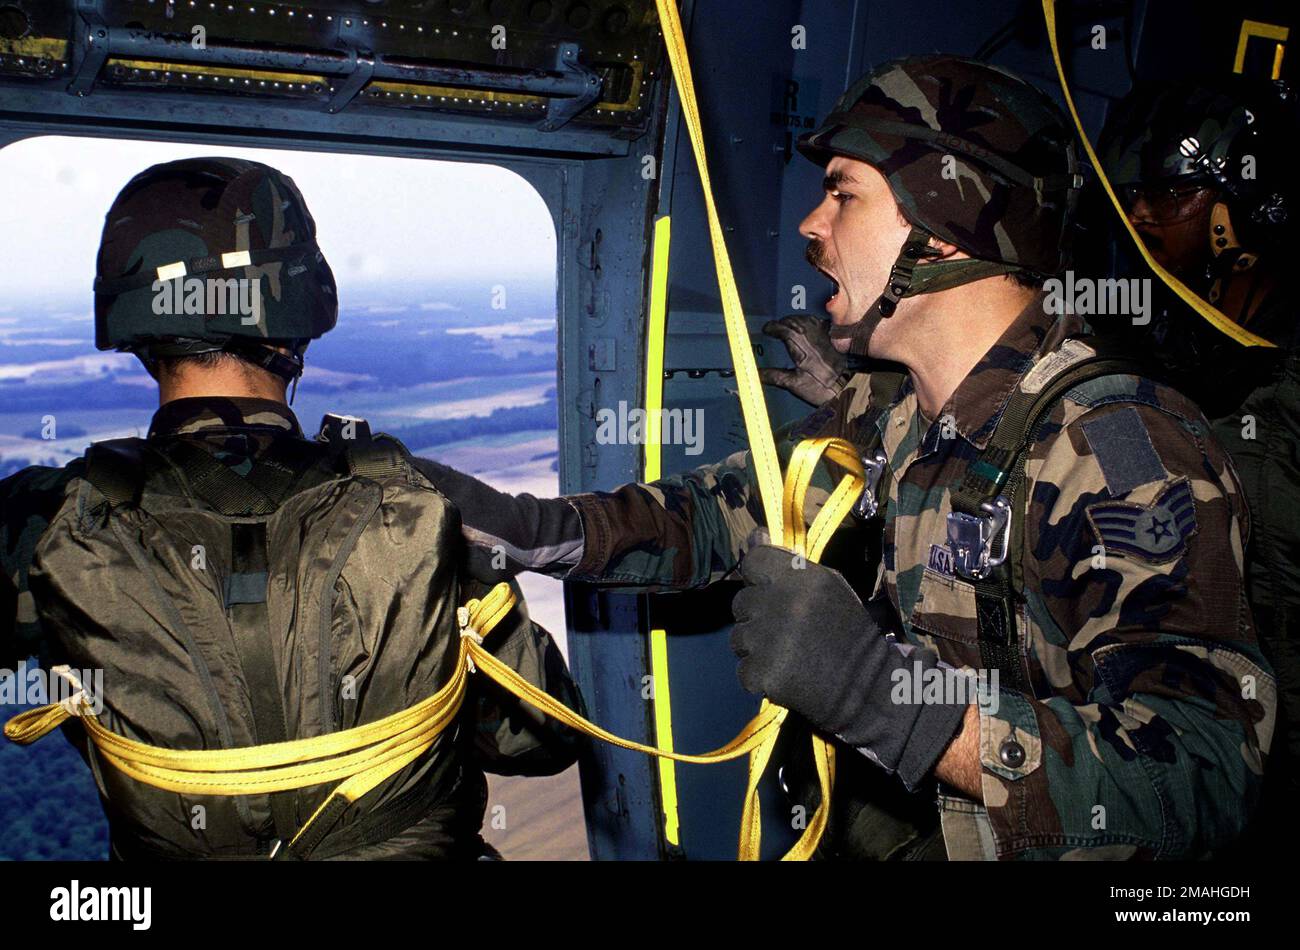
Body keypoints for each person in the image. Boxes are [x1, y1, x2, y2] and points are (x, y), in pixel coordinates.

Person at [422, 55, 1276, 859]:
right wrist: (530, 530)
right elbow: (710, 517)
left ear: (943, 230)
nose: (810, 223)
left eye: (842, 194)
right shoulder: (888, 410)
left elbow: (1203, 777)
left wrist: (888, 699)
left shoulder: (1117, 446)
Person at [0, 157, 578, 860]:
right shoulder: (411, 507)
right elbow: (540, 737)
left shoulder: (49, 520)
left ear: (137, 332)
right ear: (294, 324)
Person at [1100, 77, 1300, 848]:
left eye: (1170, 191)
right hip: (1210, 734)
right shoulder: (1166, 337)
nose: (1141, 212)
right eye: (1136, 193)